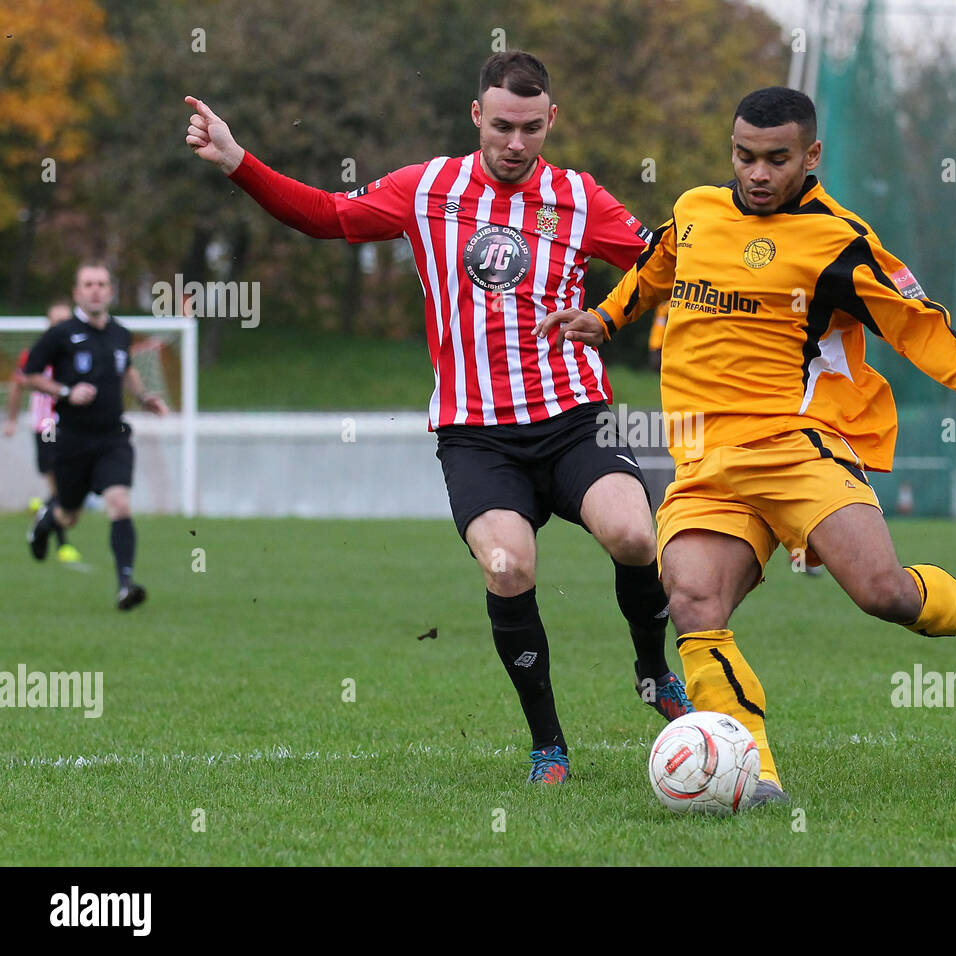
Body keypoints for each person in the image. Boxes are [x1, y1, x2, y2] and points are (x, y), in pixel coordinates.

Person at [536, 87, 956, 807]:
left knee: (884, 594)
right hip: (706, 460)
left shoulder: (839, 238)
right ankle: (755, 778)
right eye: (744, 156)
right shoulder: (695, 210)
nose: (758, 173)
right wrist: (606, 320)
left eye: (777, 159)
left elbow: (914, 320)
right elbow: (657, 267)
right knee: (692, 598)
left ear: (812, 156)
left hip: (796, 448)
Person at [184, 50, 692, 785]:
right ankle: (548, 744)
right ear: (476, 118)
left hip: (575, 419)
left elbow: (661, 263)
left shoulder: (579, 197)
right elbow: (329, 216)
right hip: (477, 436)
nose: (515, 145)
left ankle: (653, 671)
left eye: (530, 129)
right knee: (507, 565)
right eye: (502, 127)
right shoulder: (427, 189)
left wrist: (612, 314)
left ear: (552, 121)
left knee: (635, 534)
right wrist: (238, 160)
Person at [24, 263, 169, 609]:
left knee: (119, 503)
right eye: (88, 284)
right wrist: (65, 391)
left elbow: (127, 369)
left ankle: (125, 585)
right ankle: (46, 521)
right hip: (72, 439)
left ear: (110, 291)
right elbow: (30, 375)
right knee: (69, 515)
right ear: (77, 292)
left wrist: (144, 396)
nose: (95, 290)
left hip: (112, 437)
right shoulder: (61, 334)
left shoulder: (120, 332)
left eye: (102, 284)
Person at [5, 299, 83, 563]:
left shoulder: (79, 352)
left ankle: (44, 516)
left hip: (74, 427)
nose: (60, 325)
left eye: (65, 320)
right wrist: (12, 419)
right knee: (59, 485)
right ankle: (62, 544)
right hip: (47, 425)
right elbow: (18, 385)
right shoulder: (36, 352)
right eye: (55, 320)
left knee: (70, 487)